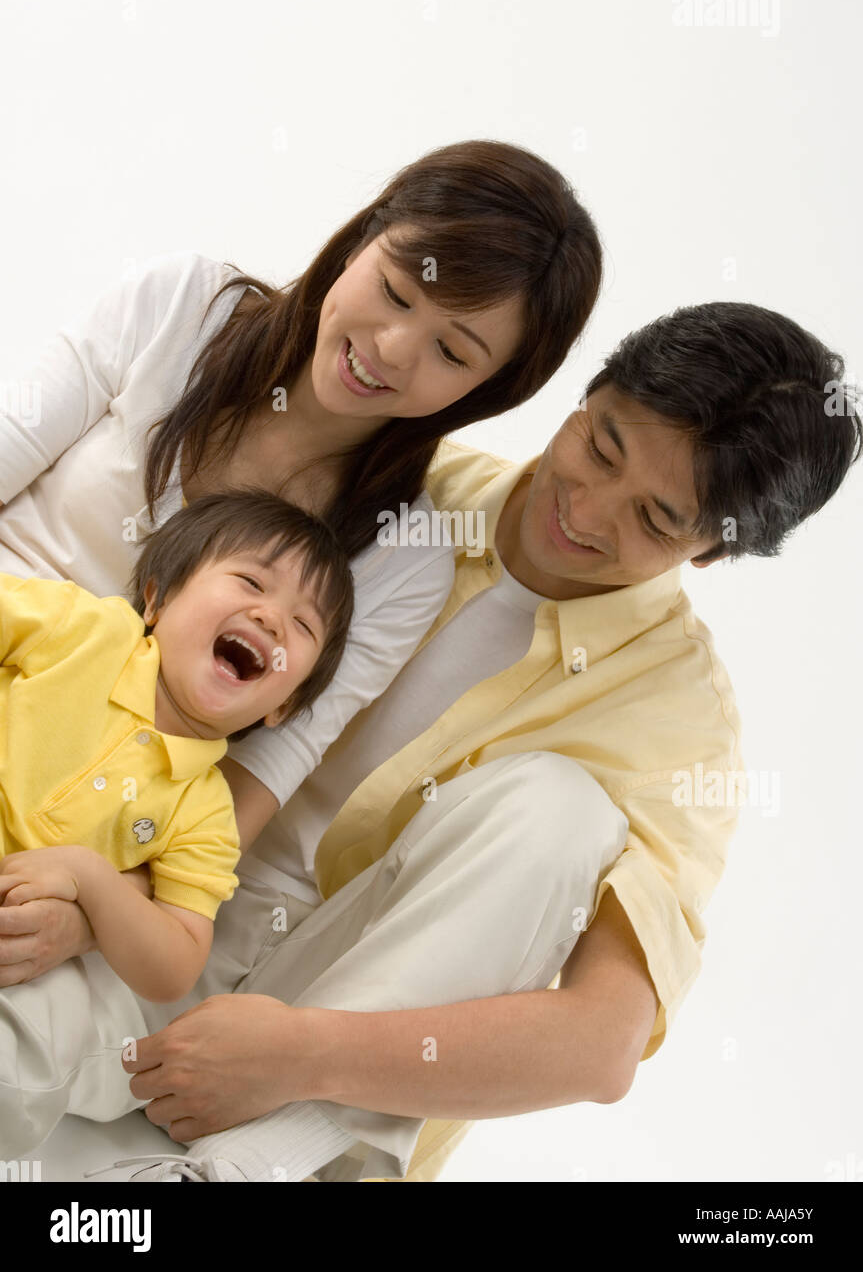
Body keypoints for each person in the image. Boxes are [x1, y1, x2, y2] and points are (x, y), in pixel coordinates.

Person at [6, 293, 859, 1181]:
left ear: (710, 554)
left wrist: (304, 1051)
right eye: (599, 447)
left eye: (654, 520)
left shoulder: (679, 719)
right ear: (585, 393)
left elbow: (600, 1042)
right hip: (138, 920)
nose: (589, 511)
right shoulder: (399, 488)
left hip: (321, 1041)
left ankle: (236, 1173)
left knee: (559, 809)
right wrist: (95, 896)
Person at [0, 139, 603, 1166]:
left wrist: (86, 898)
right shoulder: (183, 310)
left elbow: (253, 780)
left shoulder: (406, 546)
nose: (393, 348)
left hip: (90, 837)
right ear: (367, 233)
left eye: (454, 352)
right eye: (399, 286)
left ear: (488, 390)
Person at [0, 489, 354, 1010]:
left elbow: (175, 969)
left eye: (303, 626)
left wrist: (92, 878)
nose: (272, 618)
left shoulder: (205, 813)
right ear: (158, 600)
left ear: (285, 705)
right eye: (252, 582)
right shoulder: (85, 631)